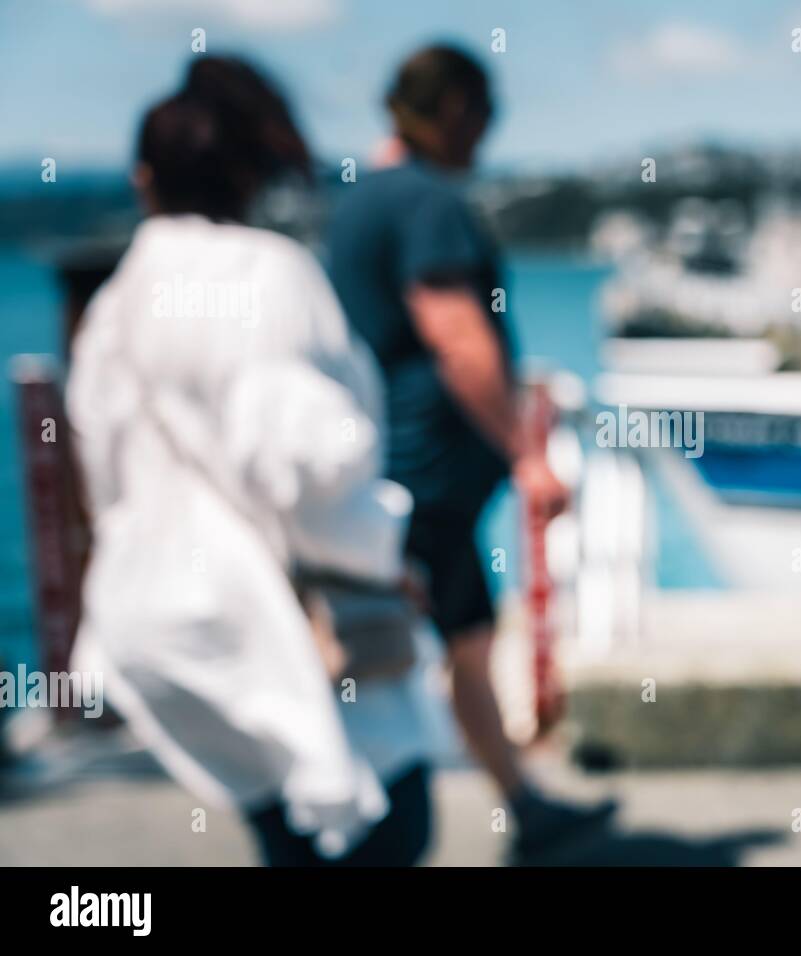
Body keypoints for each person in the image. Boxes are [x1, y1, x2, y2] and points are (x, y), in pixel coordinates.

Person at [66, 57, 435, 866]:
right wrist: (386, 552)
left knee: (286, 833)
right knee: (392, 824)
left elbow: (104, 474)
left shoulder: (116, 301)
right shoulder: (268, 273)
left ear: (143, 178)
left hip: (157, 622)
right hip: (271, 619)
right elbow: (303, 468)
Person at [327, 44, 615, 858]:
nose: (487, 135)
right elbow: (455, 334)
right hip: (428, 478)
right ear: (454, 108)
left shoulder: (359, 200)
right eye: (484, 115)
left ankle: (521, 808)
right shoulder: (428, 204)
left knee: (456, 639)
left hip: (386, 466)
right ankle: (362, 828)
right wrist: (527, 454)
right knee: (410, 644)